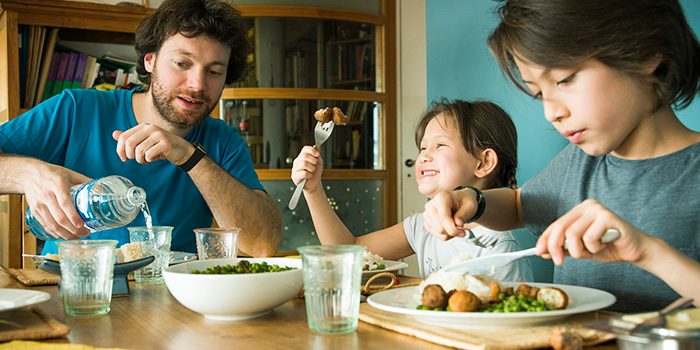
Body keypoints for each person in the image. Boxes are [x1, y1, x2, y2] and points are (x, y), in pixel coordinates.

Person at [422, 0, 700, 311]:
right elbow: (518, 206)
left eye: (565, 80)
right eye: (539, 93)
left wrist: (647, 252)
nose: (552, 112)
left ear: (646, 54)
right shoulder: (579, 162)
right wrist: (472, 200)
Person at [0, 0, 281, 257]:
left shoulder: (222, 140)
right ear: (150, 60)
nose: (197, 84)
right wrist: (30, 174)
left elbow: (263, 244)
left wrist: (190, 157)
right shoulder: (76, 109)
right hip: (76, 292)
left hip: (172, 302)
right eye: (182, 63)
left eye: (214, 71)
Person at [292, 99, 533, 281]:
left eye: (439, 145)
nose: (424, 156)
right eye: (422, 147)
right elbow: (346, 252)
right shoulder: (422, 227)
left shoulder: (500, 252)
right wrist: (313, 190)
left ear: (483, 163)